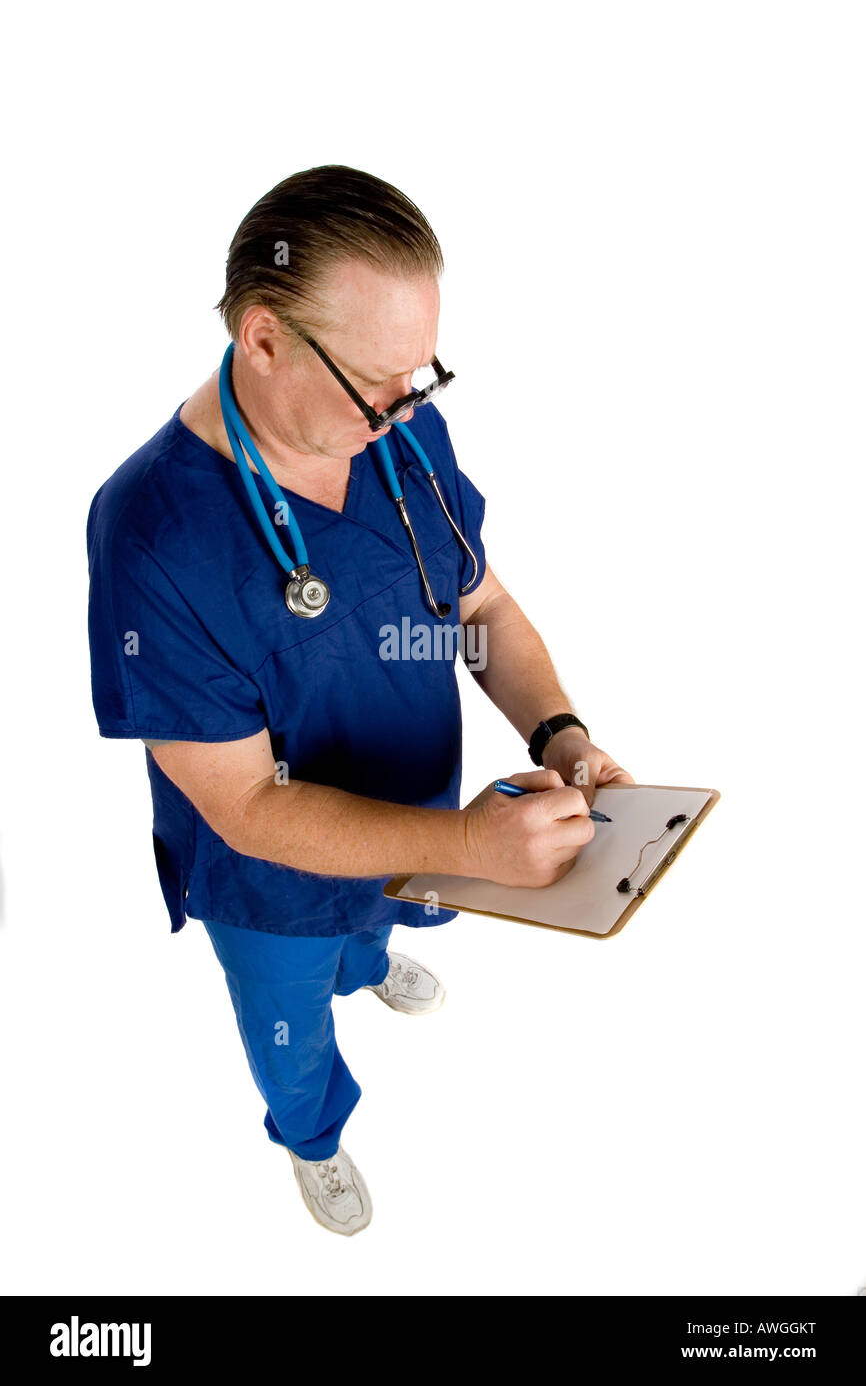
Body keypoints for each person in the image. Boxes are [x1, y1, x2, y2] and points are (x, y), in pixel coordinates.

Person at [86, 165, 634, 1237]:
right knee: (290, 1022)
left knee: (371, 934)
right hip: (271, 884)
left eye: (420, 376)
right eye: (377, 383)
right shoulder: (150, 532)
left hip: (429, 824)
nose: (404, 409)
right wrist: (474, 848)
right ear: (263, 337)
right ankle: (311, 1137)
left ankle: (370, 960)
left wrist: (557, 731)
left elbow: (479, 603)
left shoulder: (395, 431)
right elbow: (244, 807)